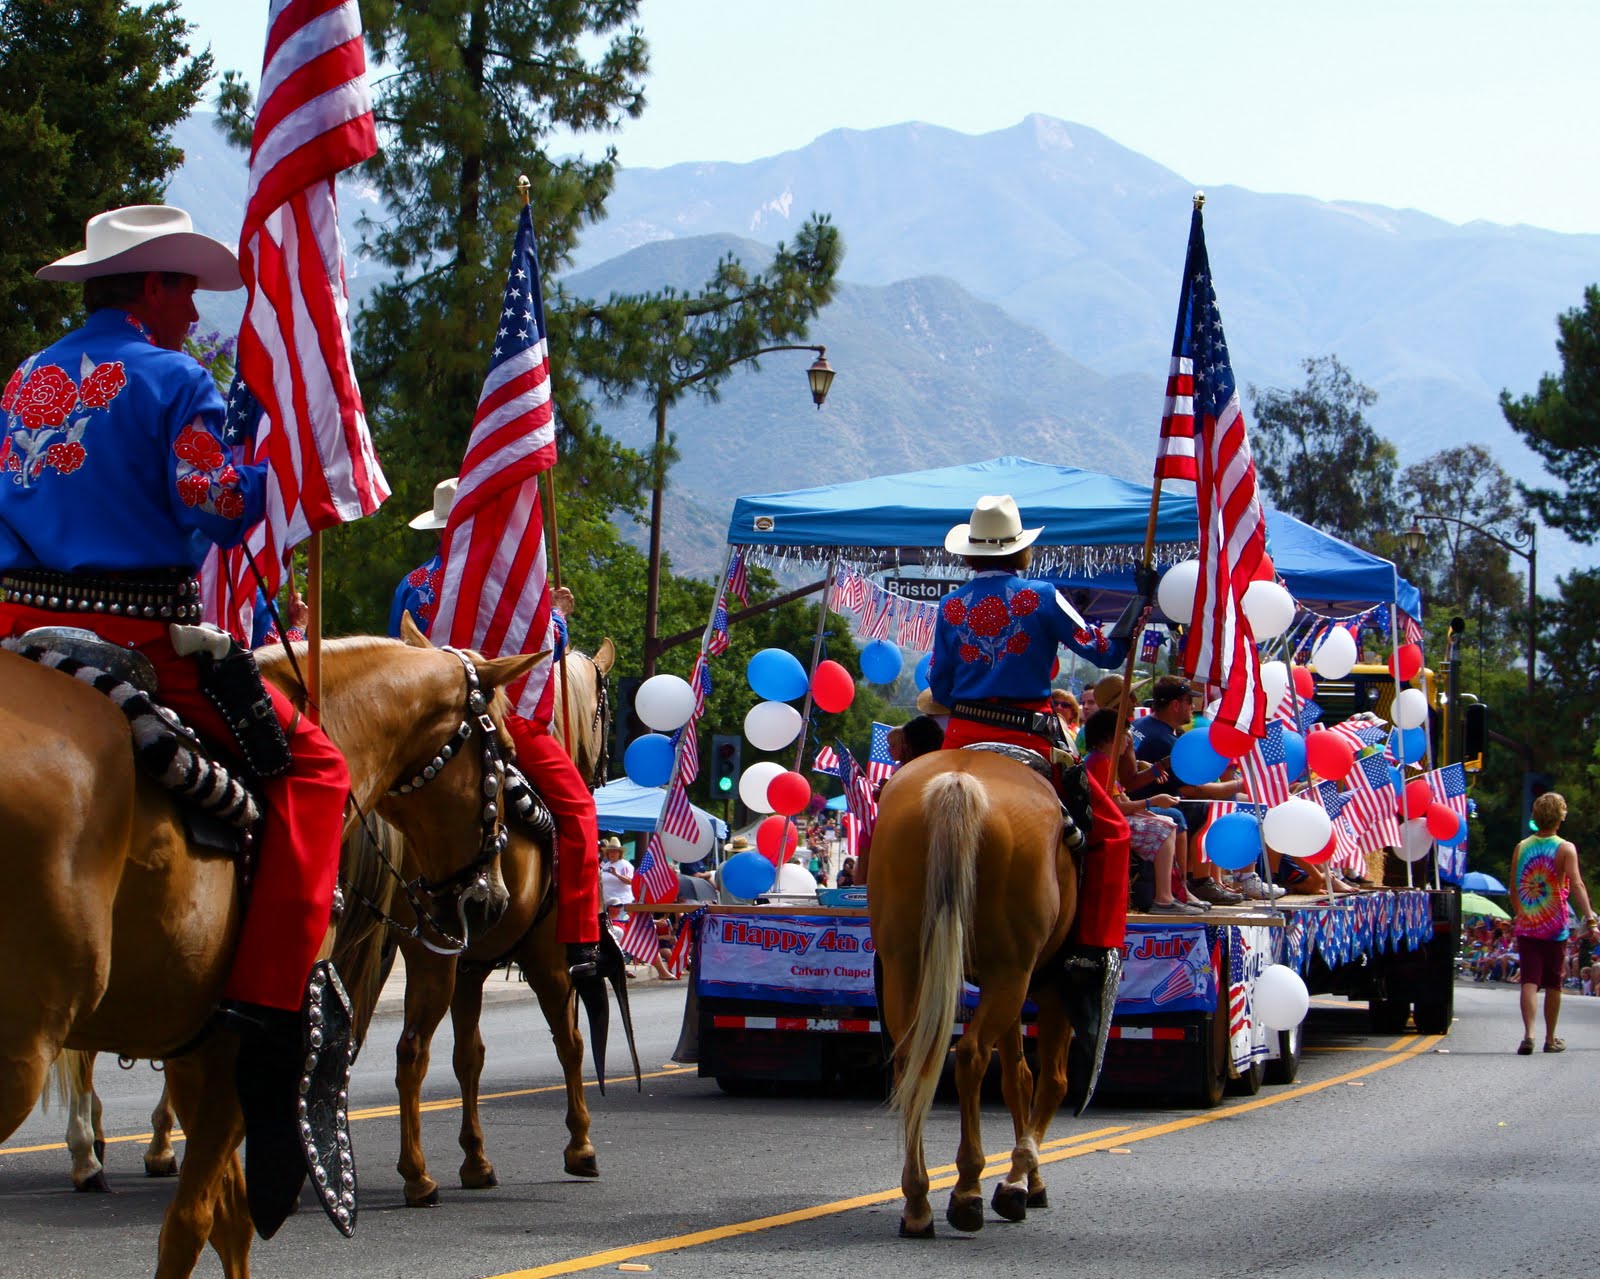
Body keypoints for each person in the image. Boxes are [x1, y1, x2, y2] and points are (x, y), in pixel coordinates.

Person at [0, 204, 351, 1230]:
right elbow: (214, 507)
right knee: (317, 772)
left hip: (15, 627)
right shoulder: (175, 379)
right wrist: (259, 462)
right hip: (135, 637)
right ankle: (270, 1008)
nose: (196, 311)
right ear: (151, 286)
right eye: (187, 289)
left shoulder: (23, 380)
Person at [927, 493, 1133, 1106]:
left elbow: (940, 685)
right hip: (1029, 736)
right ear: (1022, 551)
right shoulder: (1042, 596)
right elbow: (1105, 651)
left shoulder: (949, 605)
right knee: (1114, 831)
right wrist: (1138, 605)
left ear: (970, 555)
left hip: (962, 734)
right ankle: (1090, 955)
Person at [395, 480, 604, 979]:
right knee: (580, 811)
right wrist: (559, 615)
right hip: (503, 719)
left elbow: (394, 653)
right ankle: (581, 938)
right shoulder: (509, 581)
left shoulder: (414, 583)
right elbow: (545, 650)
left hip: (421, 726)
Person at [1113, 675, 1258, 906]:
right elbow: (1195, 790)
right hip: (1150, 801)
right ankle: (1199, 881)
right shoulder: (1163, 739)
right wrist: (1241, 784)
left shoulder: (1142, 726)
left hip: (1144, 796)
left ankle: (1211, 879)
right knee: (1211, 808)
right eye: (1189, 701)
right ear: (1175, 705)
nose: (1193, 706)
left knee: (1221, 800)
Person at [1081, 710, 1201, 914]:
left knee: (1167, 822)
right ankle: (1163, 898)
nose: (1128, 740)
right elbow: (1117, 808)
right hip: (1106, 826)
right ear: (1110, 737)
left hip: (1110, 820)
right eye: (1124, 734)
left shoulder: (1103, 761)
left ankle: (1177, 891)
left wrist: (1149, 811)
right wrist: (1152, 801)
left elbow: (1122, 800)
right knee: (1165, 829)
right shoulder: (1100, 763)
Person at [1510, 792, 1599, 1054]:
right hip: (1554, 926)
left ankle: (1529, 1034)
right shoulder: (1565, 848)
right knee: (1553, 983)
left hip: (1528, 924)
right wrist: (1590, 919)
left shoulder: (1521, 847)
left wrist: (1520, 912)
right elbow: (1577, 885)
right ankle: (1550, 1039)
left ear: (1536, 817)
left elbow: (1514, 887)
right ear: (1561, 817)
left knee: (1529, 980)